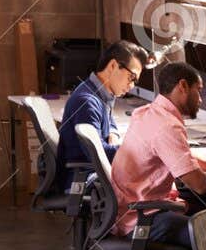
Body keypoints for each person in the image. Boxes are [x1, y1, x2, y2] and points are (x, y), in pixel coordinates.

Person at [109, 61, 206, 246]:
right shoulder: (168, 126)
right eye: (199, 90)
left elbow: (189, 161)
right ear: (183, 86)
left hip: (126, 210)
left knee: (203, 207)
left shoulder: (146, 112)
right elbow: (199, 185)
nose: (200, 100)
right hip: (140, 219)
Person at [50, 40, 147, 195]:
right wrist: (140, 151)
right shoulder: (87, 102)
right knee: (149, 180)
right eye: (131, 77)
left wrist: (113, 134)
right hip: (83, 179)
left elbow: (110, 121)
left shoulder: (100, 92)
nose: (132, 86)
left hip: (91, 171)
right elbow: (99, 154)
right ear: (113, 65)